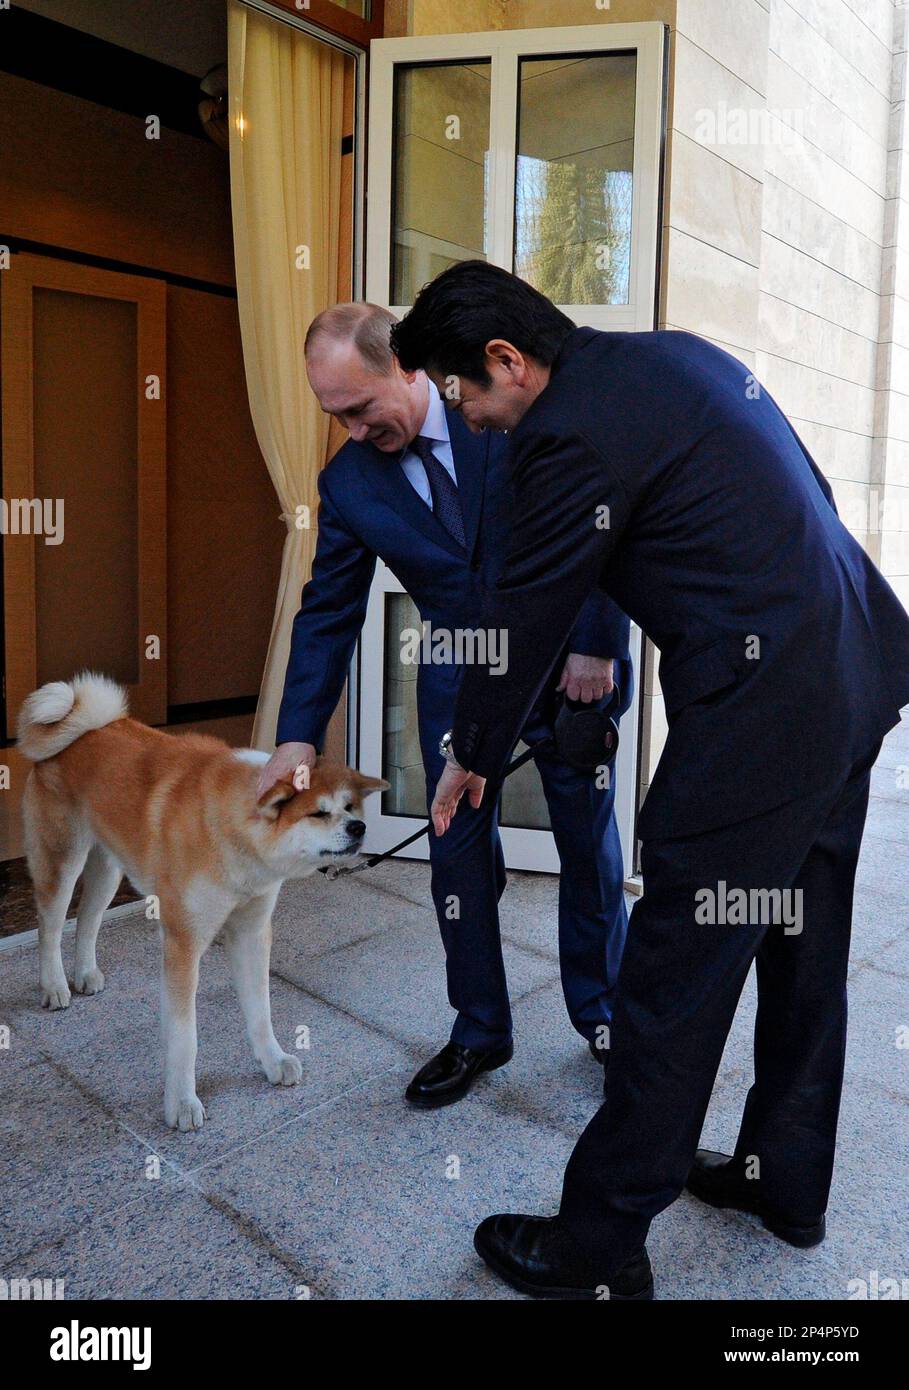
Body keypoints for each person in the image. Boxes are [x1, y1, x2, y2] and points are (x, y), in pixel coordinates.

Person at [391, 261, 909, 1300]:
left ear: (505, 361)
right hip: (853, 668)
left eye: (466, 397)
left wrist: (470, 753)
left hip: (768, 714)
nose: (474, 422)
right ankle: (785, 1181)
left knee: (672, 974)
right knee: (804, 942)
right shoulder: (673, 358)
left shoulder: (563, 430)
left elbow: (526, 611)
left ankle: (598, 1243)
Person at [256, 302, 634, 1108]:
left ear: (407, 367)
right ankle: (478, 1029)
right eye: (335, 416)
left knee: (587, 848)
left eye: (360, 407)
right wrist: (294, 738)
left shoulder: (500, 406)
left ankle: (604, 1017)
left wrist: (597, 640)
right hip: (458, 683)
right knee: (456, 855)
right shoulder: (349, 481)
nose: (354, 430)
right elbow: (327, 611)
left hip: (570, 667)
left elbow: (598, 513)